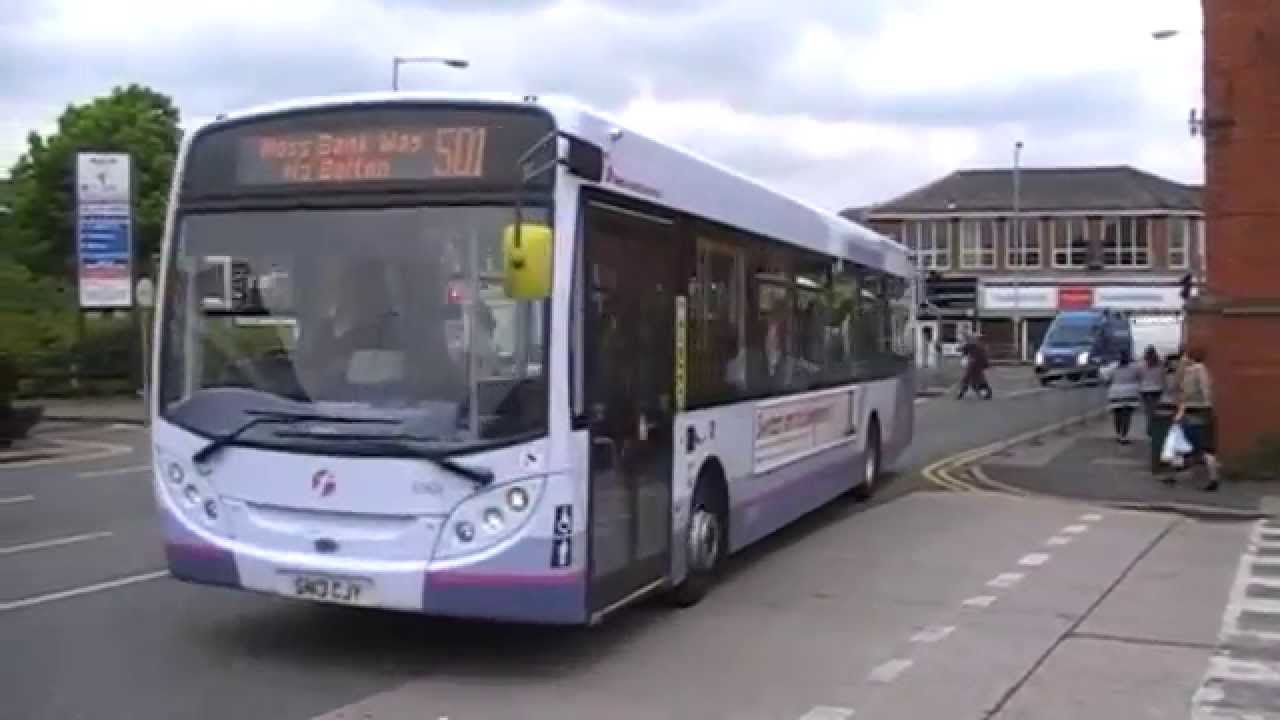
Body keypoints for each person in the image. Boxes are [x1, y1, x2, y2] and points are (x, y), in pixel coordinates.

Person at [1171, 344, 1219, 492]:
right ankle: (1213, 478)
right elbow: (1206, 391)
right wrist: (1209, 403)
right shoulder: (1201, 369)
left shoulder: (1186, 372)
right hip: (1203, 410)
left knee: (1180, 441)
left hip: (1188, 409)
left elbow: (1178, 388)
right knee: (1207, 447)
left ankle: (1177, 472)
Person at [1104, 348, 1142, 444]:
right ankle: (1123, 436)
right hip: (1130, 393)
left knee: (1117, 415)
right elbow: (1139, 378)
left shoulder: (1112, 367)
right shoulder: (1135, 367)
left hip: (1115, 393)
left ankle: (1118, 434)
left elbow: (1106, 379)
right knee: (1127, 416)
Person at [957, 333, 992, 400]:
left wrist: (961, 348)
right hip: (978, 365)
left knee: (967, 378)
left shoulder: (972, 345)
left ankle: (962, 392)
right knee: (978, 378)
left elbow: (962, 349)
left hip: (974, 364)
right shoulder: (980, 346)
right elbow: (984, 357)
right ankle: (984, 392)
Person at [1138, 345, 1166, 426]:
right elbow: (1162, 377)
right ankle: (1152, 425)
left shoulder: (1142, 364)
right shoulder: (1160, 364)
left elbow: (1139, 377)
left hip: (1144, 390)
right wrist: (1164, 387)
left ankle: (1149, 425)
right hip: (1157, 390)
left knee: (1147, 410)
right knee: (1154, 409)